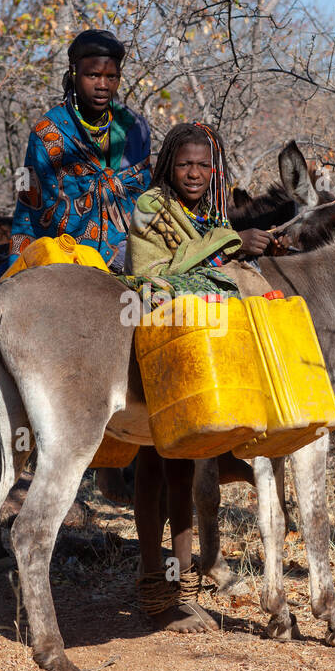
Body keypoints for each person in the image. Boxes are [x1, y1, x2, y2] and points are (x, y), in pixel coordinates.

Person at [125, 122, 273, 632]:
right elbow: (151, 275)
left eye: (203, 165)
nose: (195, 173)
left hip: (199, 347)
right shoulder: (150, 207)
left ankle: (184, 586)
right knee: (151, 459)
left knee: (183, 462)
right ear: (169, 165)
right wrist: (230, 244)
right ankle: (151, 586)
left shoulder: (211, 212)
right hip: (154, 329)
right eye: (185, 164)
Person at [0, 29, 151, 307]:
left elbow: (144, 196)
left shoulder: (134, 128)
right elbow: (29, 202)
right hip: (64, 243)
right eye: (93, 76)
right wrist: (20, 261)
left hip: (124, 246)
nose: (103, 85)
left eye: (111, 77)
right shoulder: (47, 131)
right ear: (74, 72)